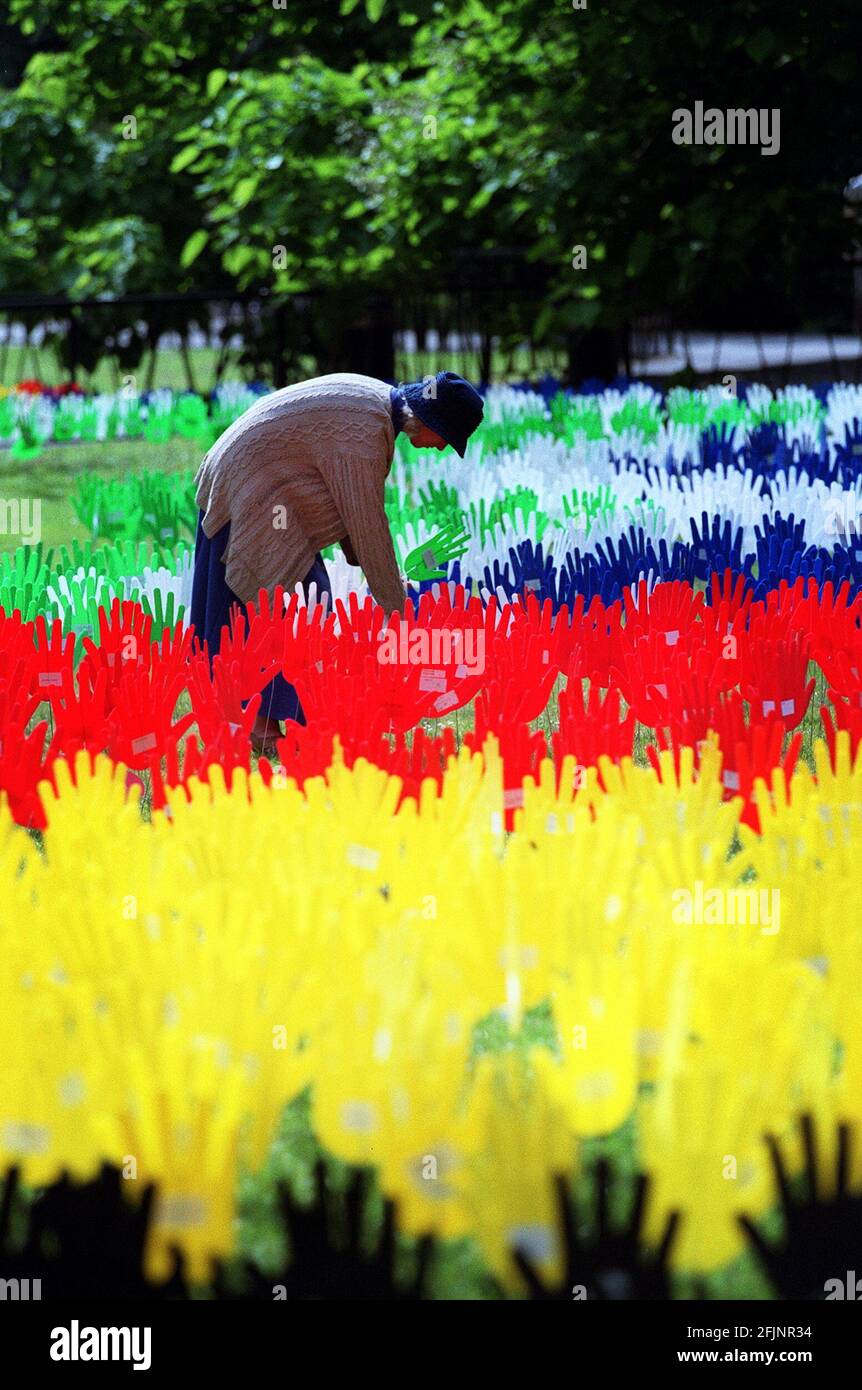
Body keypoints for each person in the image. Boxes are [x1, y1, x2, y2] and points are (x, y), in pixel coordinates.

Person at [190, 370, 484, 752]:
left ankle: (284, 720)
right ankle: (261, 726)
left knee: (302, 607)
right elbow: (366, 524)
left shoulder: (378, 405)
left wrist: (385, 580)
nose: (443, 448)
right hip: (248, 487)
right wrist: (399, 611)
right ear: (430, 420)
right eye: (447, 438)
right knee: (296, 613)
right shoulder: (366, 435)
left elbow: (351, 514)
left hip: (252, 481)